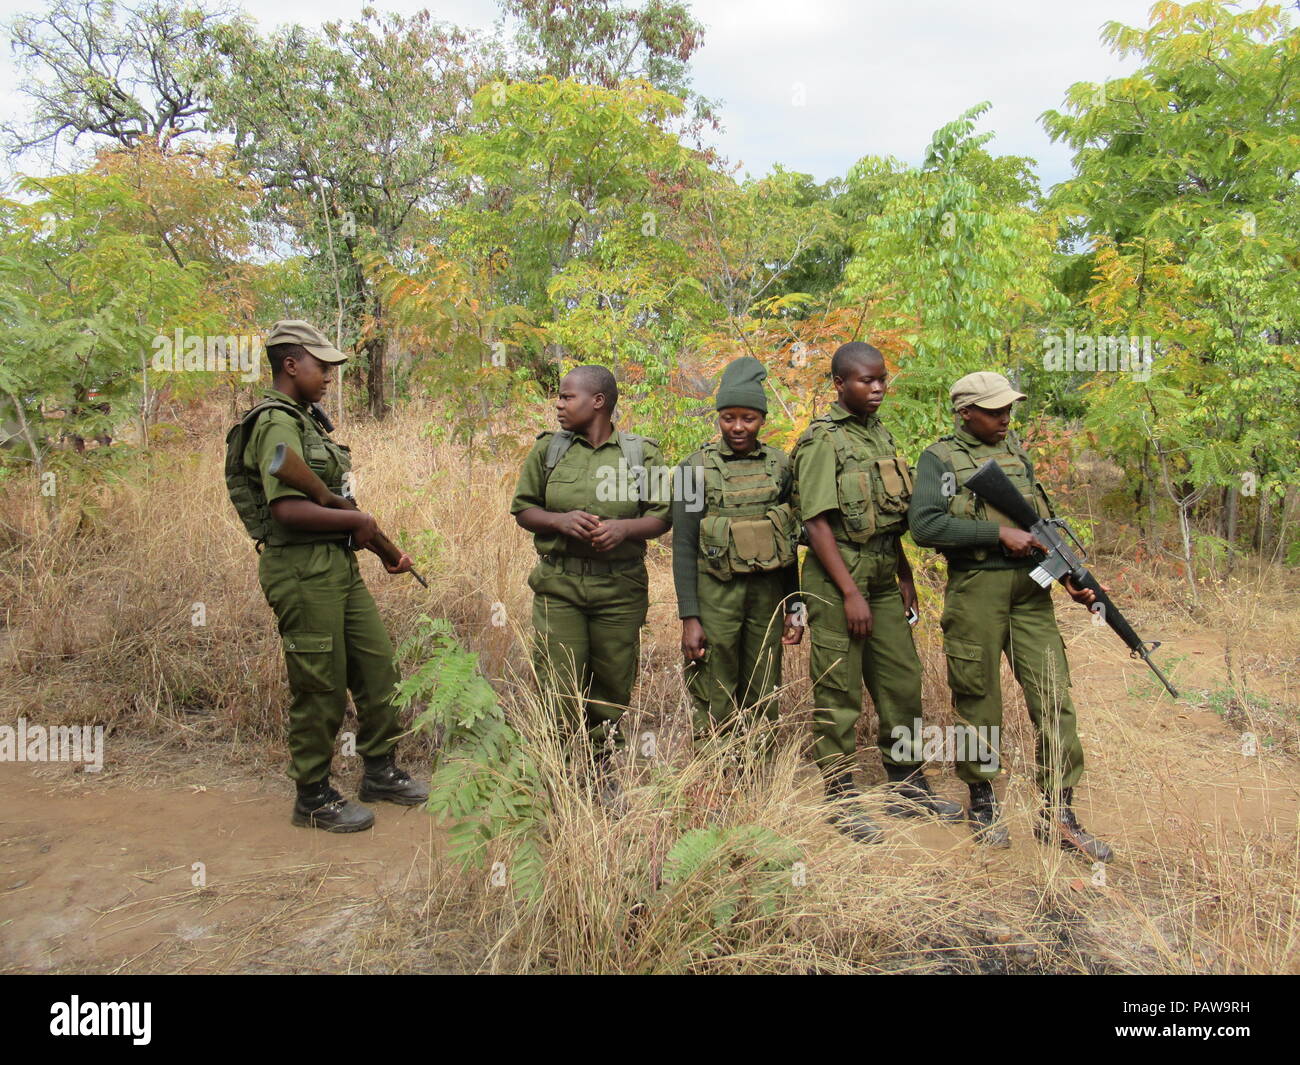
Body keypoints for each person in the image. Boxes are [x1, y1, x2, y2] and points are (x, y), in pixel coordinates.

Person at [225, 320, 426, 833]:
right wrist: (358, 522)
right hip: (299, 568)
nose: (331, 374)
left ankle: (379, 771)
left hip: (337, 564)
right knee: (321, 686)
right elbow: (289, 511)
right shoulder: (275, 423)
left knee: (379, 670)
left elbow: (327, 498)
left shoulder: (306, 421)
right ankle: (312, 796)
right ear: (291, 364)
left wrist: (375, 544)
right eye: (322, 364)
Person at [908, 371, 1112, 862]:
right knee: (978, 700)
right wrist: (995, 536)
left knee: (1054, 698)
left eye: (1008, 410)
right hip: (977, 590)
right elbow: (924, 524)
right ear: (965, 413)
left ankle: (1057, 813)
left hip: (1031, 592)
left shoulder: (1016, 455)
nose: (1005, 418)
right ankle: (982, 801)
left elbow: (1040, 525)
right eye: (995, 411)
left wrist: (1070, 580)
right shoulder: (940, 459)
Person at [791, 342, 963, 844]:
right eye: (866, 380)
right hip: (835, 576)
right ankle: (841, 796)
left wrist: (904, 574)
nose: (878, 388)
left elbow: (889, 520)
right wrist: (849, 593)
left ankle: (907, 785)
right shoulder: (823, 441)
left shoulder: (880, 435)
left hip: (882, 574)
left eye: (882, 379)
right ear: (839, 384)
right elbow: (816, 523)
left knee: (902, 681)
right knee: (839, 689)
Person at [510, 366, 670, 788]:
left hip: (620, 589)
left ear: (598, 401)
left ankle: (599, 770)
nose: (559, 405)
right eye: (559, 398)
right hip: (559, 586)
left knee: (612, 684)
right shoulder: (549, 450)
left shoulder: (641, 454)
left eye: (567, 397)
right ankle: (560, 776)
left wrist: (624, 529)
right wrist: (559, 521)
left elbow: (661, 516)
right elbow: (524, 509)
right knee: (559, 683)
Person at [672, 356, 803, 749]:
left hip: (766, 594)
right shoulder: (693, 469)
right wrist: (689, 617)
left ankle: (756, 768)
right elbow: (683, 545)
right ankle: (715, 773)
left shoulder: (781, 466)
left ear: (762, 419)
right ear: (718, 418)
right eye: (728, 417)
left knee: (764, 681)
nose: (738, 427)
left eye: (748, 417)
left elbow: (790, 543)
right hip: (715, 594)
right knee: (715, 681)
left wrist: (794, 606)